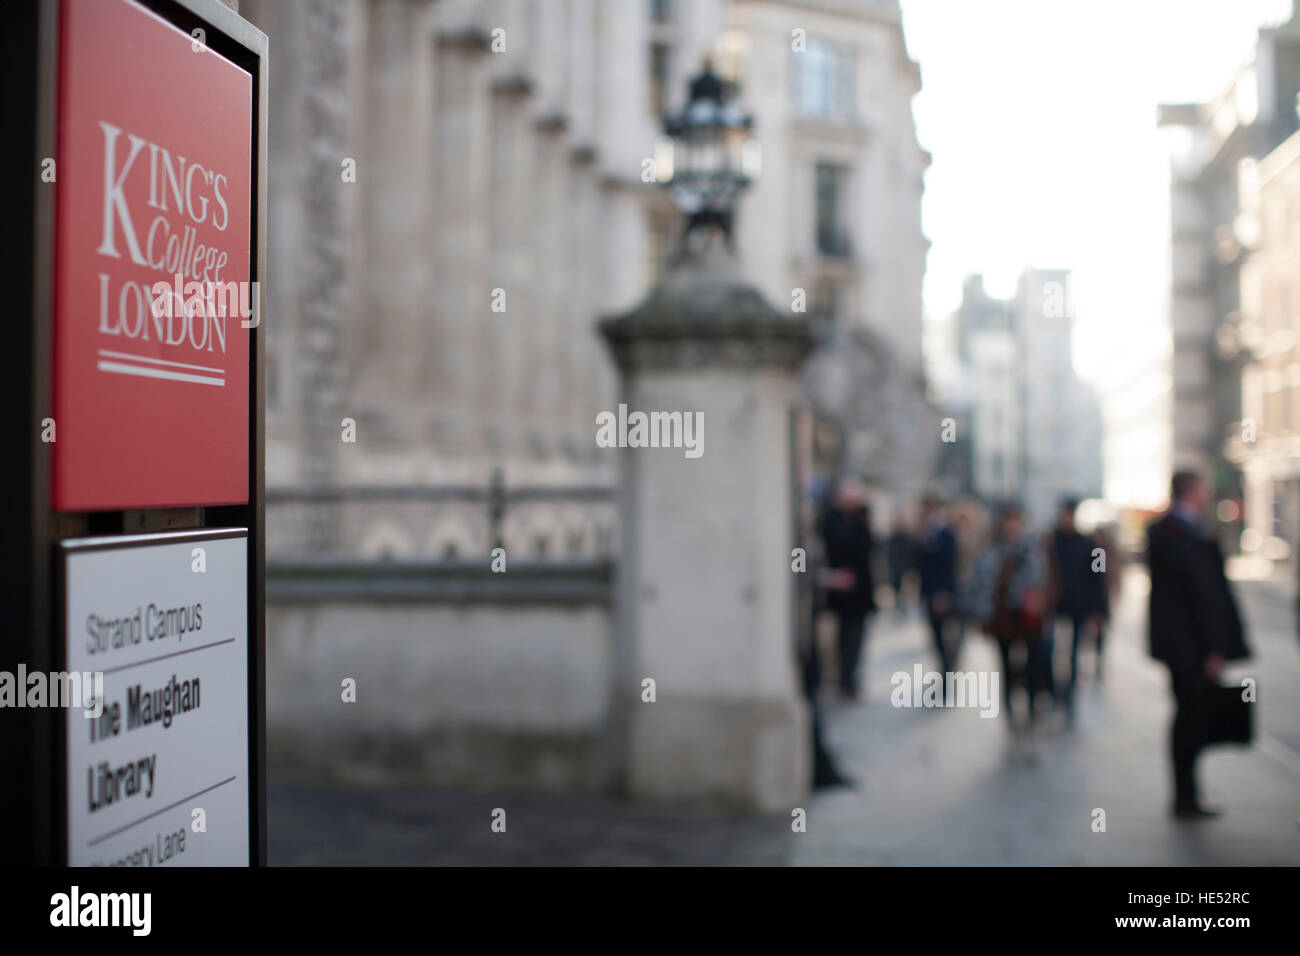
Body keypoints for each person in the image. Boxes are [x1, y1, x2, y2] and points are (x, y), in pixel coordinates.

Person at [1147, 471, 1250, 819]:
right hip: (1189, 647)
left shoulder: (1181, 530)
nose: (1207, 494)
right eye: (1203, 488)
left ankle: (1188, 794)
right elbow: (1201, 595)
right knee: (1189, 718)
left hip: (1185, 646)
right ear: (1191, 491)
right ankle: (1185, 797)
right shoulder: (1178, 532)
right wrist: (1214, 648)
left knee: (1190, 716)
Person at [969, 503, 1048, 761]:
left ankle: (1032, 717)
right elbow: (981, 585)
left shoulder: (1033, 551)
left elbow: (1044, 582)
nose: (1012, 526)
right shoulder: (991, 553)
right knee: (1006, 670)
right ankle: (1012, 719)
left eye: (1016, 521)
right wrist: (983, 616)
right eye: (1008, 521)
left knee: (1031, 669)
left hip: (1029, 622)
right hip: (1003, 622)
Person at [1044, 498, 1107, 725]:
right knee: (1049, 651)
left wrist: (1100, 609)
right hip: (1054, 606)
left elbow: (1099, 577)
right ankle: (1053, 694)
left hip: (1079, 606)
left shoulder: (1090, 544)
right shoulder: (1050, 542)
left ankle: (1068, 698)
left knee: (1073, 654)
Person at [821, 477, 877, 700]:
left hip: (858, 593)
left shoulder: (860, 523)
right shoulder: (834, 522)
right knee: (845, 639)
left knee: (854, 639)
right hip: (843, 593)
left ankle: (849, 679)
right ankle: (846, 679)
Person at [915, 495, 960, 676]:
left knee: (946, 638)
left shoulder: (946, 535)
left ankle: (948, 673)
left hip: (942, 594)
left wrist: (943, 593)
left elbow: (949, 566)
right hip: (928, 591)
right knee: (936, 638)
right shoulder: (924, 534)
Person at [885, 516, 916, 614]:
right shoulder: (894, 538)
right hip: (896, 567)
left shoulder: (908, 538)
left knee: (906, 588)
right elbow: (891, 553)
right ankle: (898, 604)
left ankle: (903, 604)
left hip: (905, 567)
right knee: (897, 587)